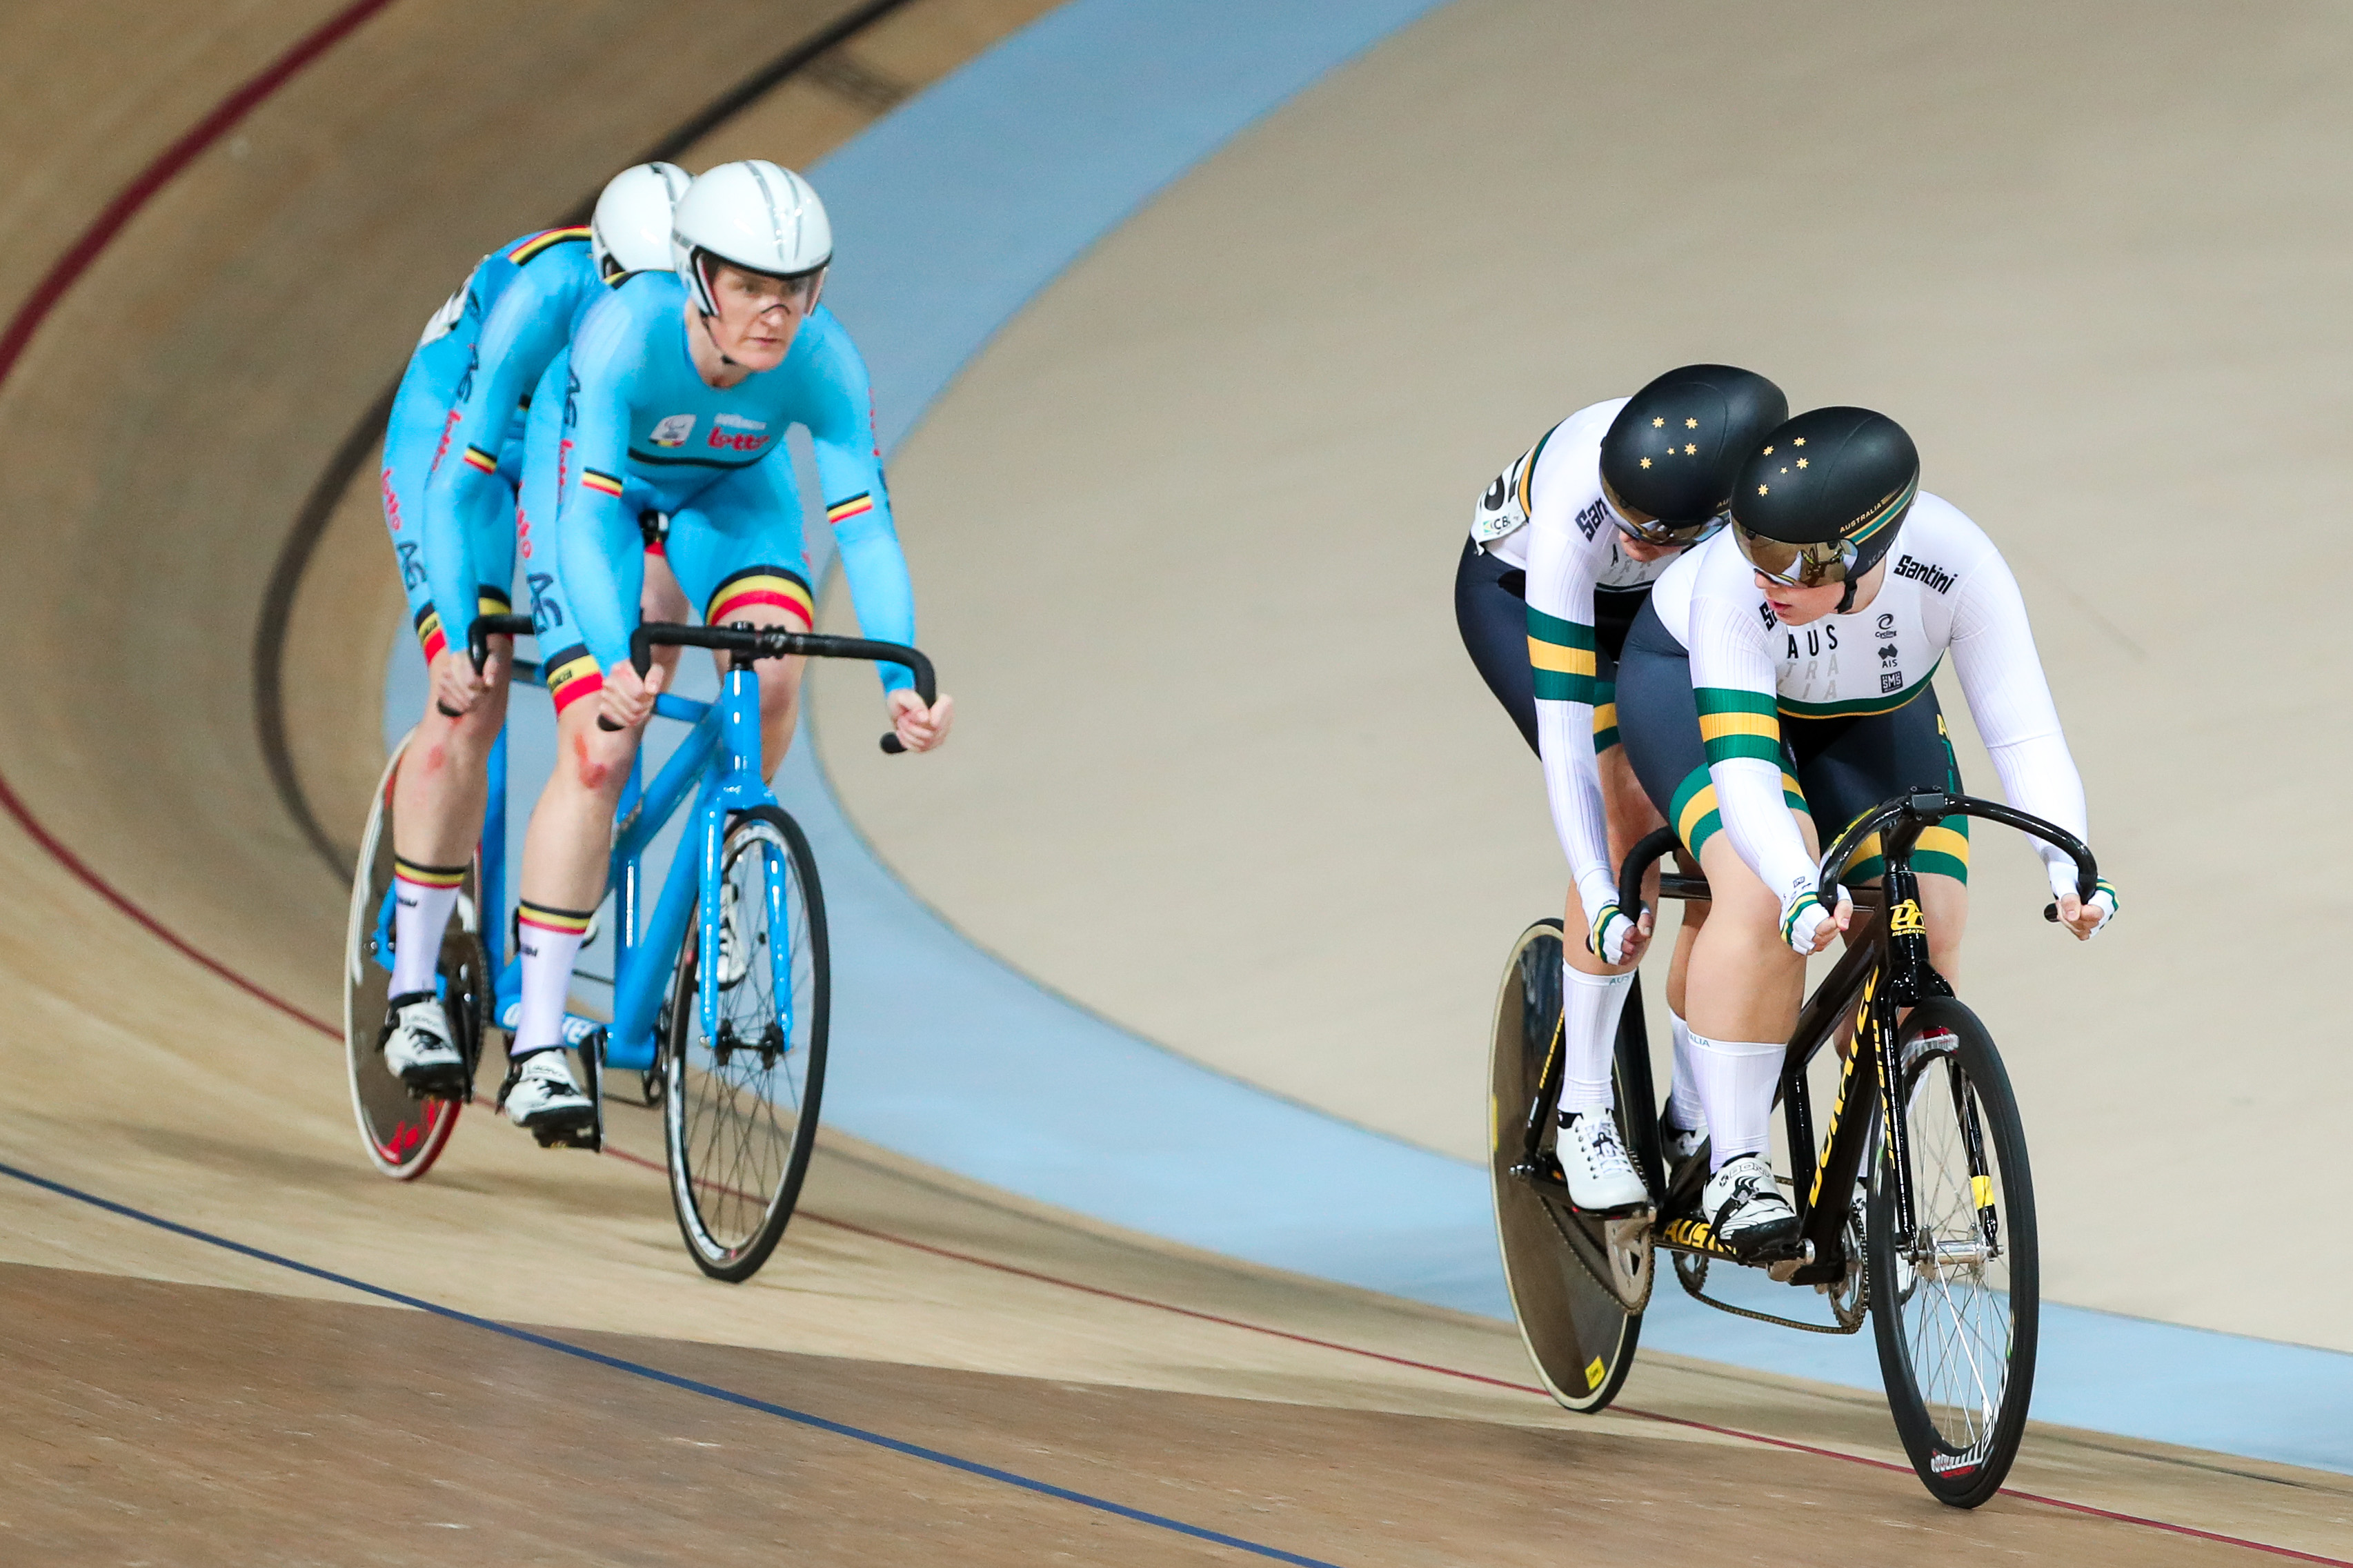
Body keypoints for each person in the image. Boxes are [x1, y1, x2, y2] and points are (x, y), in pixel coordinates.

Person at [497, 159, 954, 1139]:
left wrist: (900, 675)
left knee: (774, 673)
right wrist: (613, 660)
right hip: (599, 497)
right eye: (748, 286)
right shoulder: (624, 333)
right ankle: (536, 1041)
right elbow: (586, 521)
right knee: (600, 745)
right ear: (696, 275)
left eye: (794, 288)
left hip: (730, 500)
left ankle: (729, 856)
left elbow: (865, 527)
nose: (774, 313)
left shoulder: (824, 360)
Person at [1615, 405, 2118, 1255]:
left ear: (1865, 552)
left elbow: (2024, 732)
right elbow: (1744, 770)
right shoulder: (1732, 585)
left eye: (1790, 560)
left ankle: (1867, 1166)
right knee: (1761, 891)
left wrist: (2068, 862)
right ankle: (1733, 1162)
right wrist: (1796, 881)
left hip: (1865, 709)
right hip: (1691, 688)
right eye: (1752, 544)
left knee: (1931, 920)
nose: (1764, 574)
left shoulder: (1958, 563)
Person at [376, 165, 690, 1099]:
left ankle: (569, 857)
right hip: (459, 433)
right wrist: (452, 637)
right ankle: (411, 994)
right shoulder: (544, 294)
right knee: (471, 691)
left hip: (574, 443)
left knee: (633, 655)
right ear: (606, 270)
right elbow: (457, 482)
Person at [1457, 366, 1786, 1211]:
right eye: (1624, 517)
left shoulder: (1747, 519)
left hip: (1655, 618)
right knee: (1628, 813)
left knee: (1719, 837)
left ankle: (1691, 1109)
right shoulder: (1578, 507)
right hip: (1518, 596)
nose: (1632, 536)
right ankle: (1584, 1109)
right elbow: (1567, 736)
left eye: (1657, 529)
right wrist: (1601, 886)